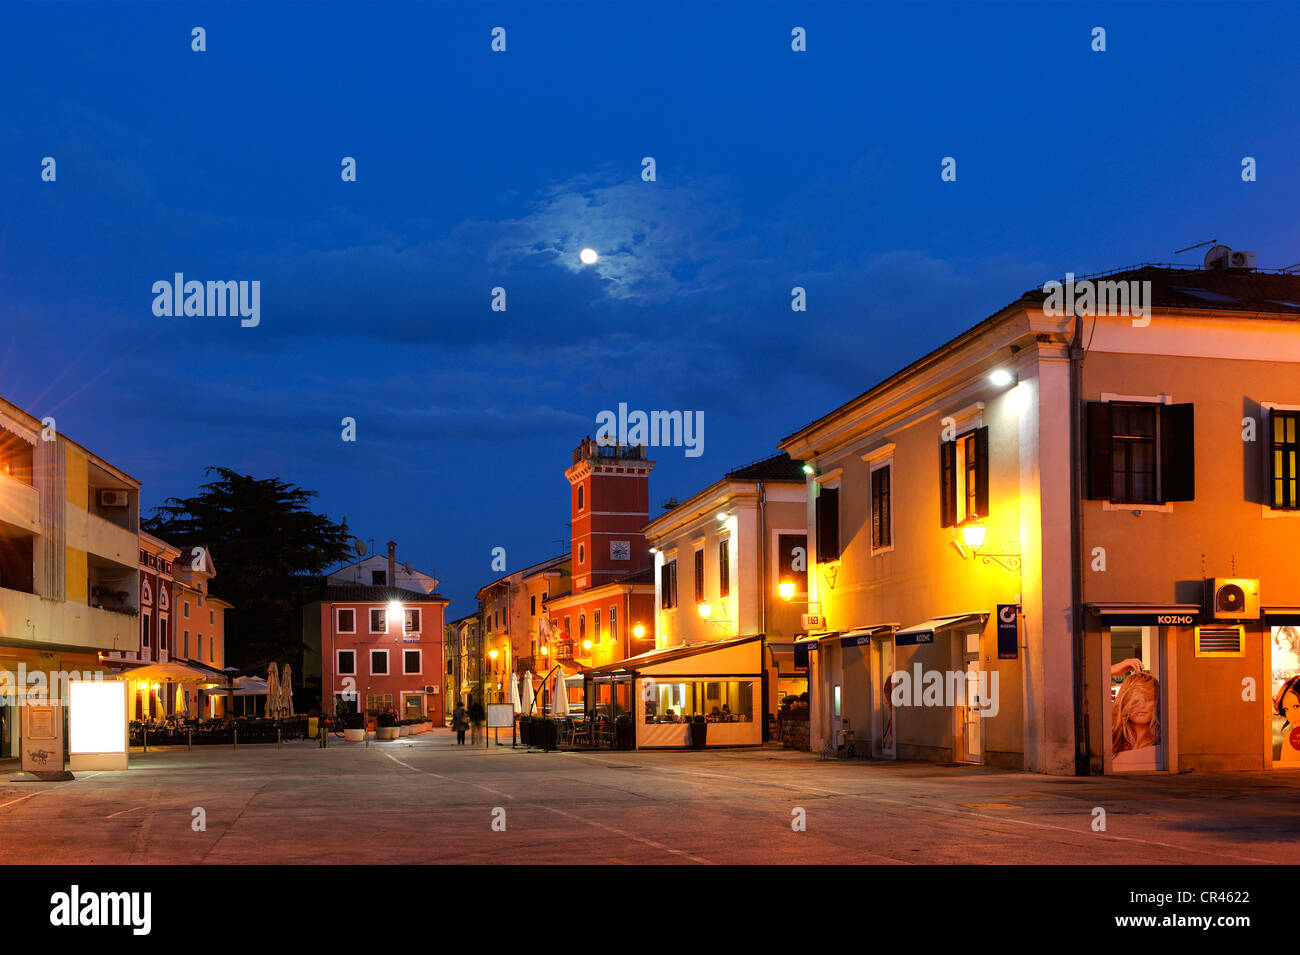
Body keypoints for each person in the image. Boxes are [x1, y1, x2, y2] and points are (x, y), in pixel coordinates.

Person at [1112, 671, 1160, 767]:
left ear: (1157, 702)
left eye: (1147, 699)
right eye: (1135, 699)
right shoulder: (1111, 738)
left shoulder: (1165, 744)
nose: (1141, 705)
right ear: (1125, 702)